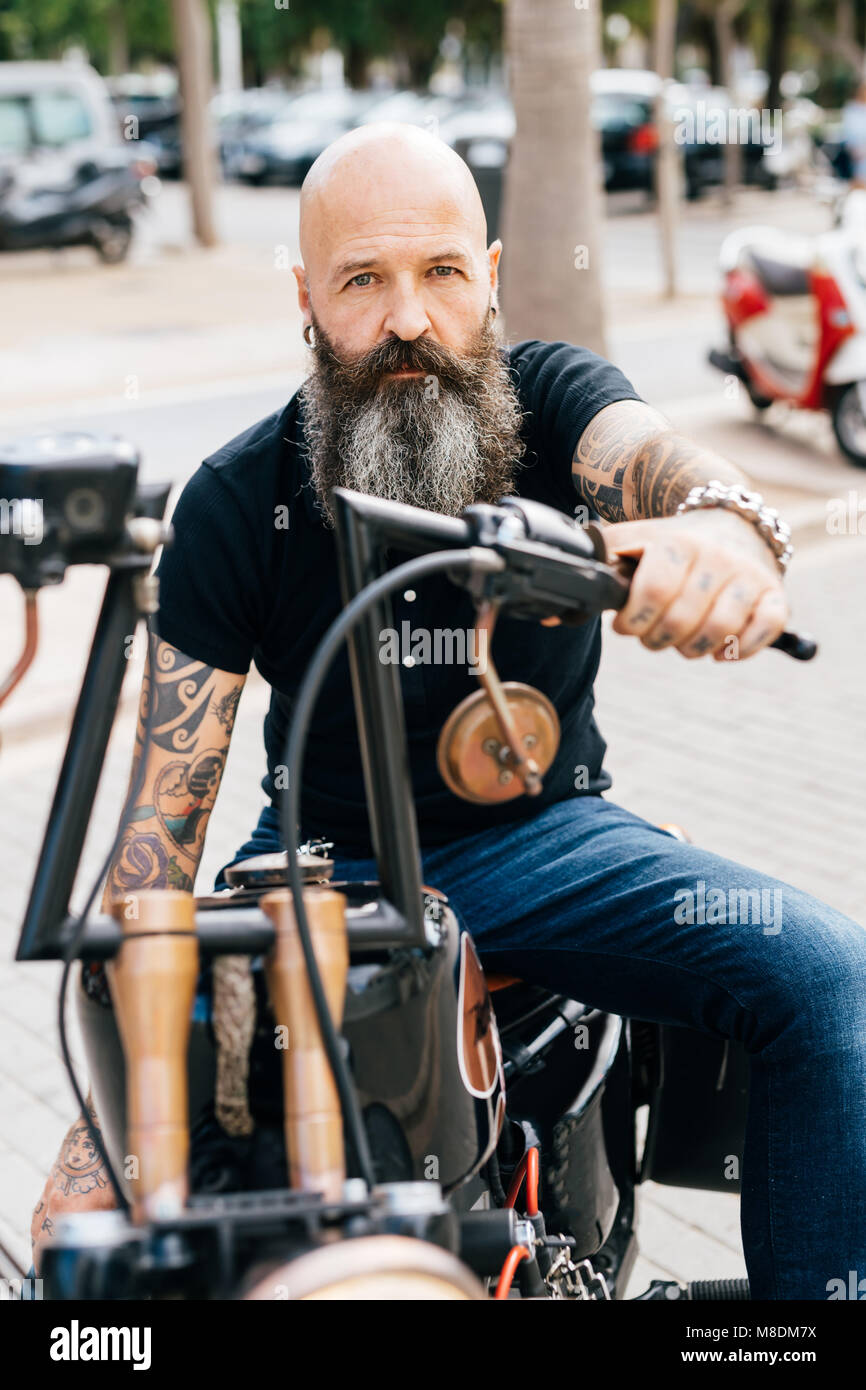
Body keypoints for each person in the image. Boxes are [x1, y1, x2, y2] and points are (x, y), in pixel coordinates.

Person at [32, 123, 866, 1299]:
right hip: (319, 870)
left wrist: (722, 526)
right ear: (307, 300)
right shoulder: (233, 498)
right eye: (362, 281)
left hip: (547, 842)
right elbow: (156, 841)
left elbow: (663, 463)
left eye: (440, 273)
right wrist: (101, 1129)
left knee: (827, 976)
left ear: (491, 276)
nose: (407, 319)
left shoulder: (559, 402)